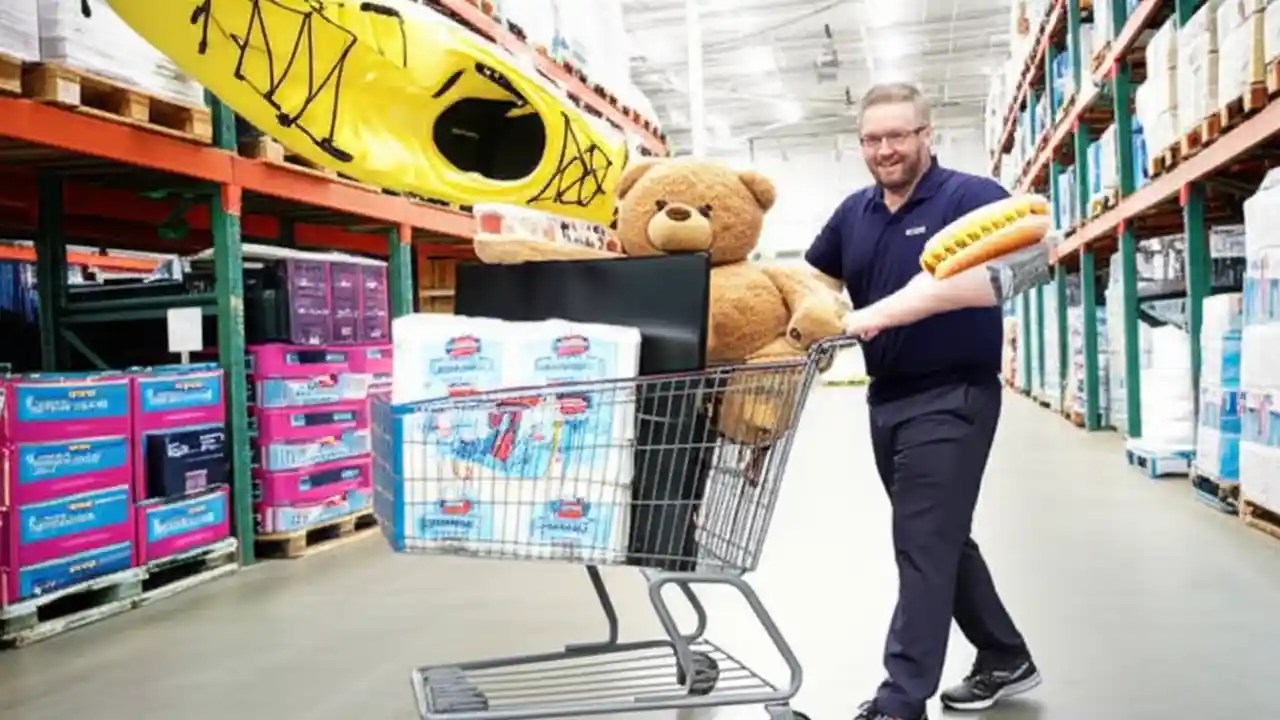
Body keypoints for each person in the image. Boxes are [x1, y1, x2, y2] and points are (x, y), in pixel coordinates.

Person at [804, 83, 1042, 720]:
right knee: (940, 539)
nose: (885, 149)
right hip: (886, 401)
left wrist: (886, 312)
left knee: (921, 542)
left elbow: (1027, 267)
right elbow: (817, 282)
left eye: (897, 135)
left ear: (926, 135)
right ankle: (1005, 654)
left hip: (953, 397)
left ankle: (900, 698)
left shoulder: (970, 197)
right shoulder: (854, 212)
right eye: (872, 139)